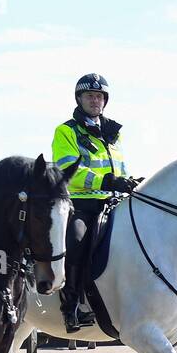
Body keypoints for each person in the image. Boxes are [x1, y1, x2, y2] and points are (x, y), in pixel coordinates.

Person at [53, 73, 142, 331]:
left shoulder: (114, 133)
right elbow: (67, 170)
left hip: (112, 203)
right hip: (81, 204)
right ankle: (70, 307)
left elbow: (119, 169)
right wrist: (106, 182)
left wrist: (126, 182)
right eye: (90, 96)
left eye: (99, 96)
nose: (95, 100)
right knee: (77, 242)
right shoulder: (66, 131)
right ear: (79, 99)